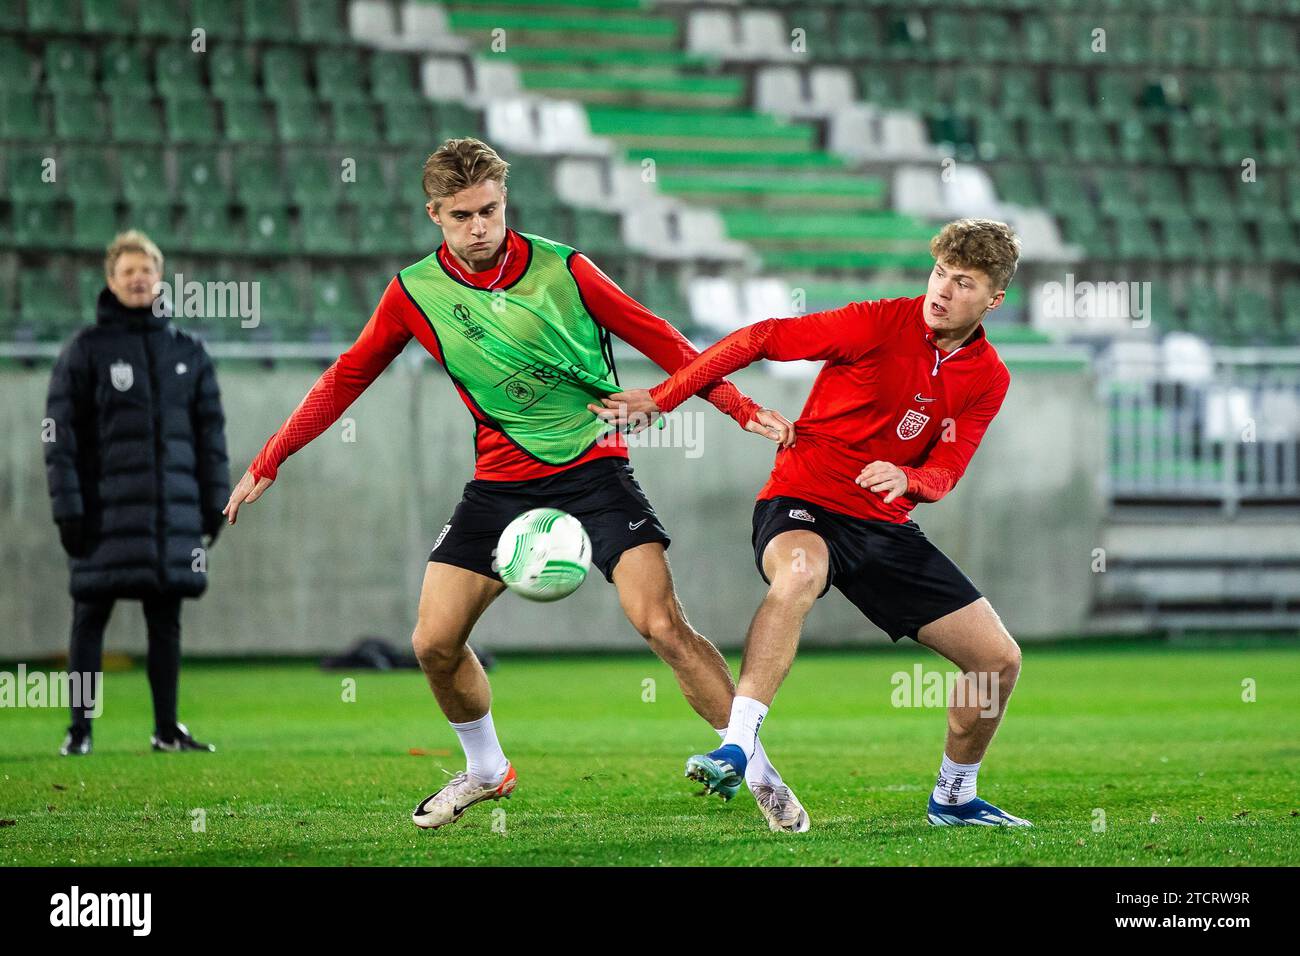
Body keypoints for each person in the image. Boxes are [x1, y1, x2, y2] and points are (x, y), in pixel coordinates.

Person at [222, 138, 810, 832]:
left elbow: (666, 343)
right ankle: (485, 769)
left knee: (661, 624)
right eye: (464, 214)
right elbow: (348, 375)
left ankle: (761, 774)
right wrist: (271, 455)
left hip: (595, 472)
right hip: (499, 487)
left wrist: (741, 408)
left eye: (492, 211)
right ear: (435, 213)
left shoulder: (567, 269)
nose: (481, 227)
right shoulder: (414, 293)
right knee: (432, 644)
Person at [594, 218, 1032, 827]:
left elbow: (947, 470)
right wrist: (664, 396)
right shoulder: (880, 320)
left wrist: (910, 480)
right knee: (799, 573)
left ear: (994, 299)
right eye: (938, 273)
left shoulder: (989, 377)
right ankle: (737, 746)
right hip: (803, 499)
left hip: (883, 525)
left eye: (962, 282)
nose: (942, 290)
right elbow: (763, 336)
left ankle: (954, 798)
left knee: (997, 662)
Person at [45, 230, 229, 756]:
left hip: (170, 519)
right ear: (111, 280)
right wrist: (68, 510)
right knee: (89, 618)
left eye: (145, 271)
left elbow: (211, 440)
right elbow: (59, 439)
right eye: (127, 272)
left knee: (166, 621)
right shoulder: (84, 352)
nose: (138, 280)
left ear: (159, 278)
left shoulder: (188, 353)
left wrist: (213, 506)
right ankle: (79, 731)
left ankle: (167, 730)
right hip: (101, 517)